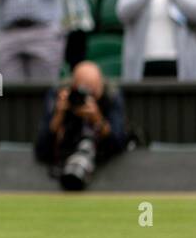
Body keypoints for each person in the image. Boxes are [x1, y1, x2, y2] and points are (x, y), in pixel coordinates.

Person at [34, 61, 130, 191]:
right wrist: (59, 115)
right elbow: (41, 149)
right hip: (63, 155)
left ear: (100, 86)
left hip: (100, 157)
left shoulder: (111, 94)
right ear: (73, 86)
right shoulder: (59, 94)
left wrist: (97, 118)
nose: (87, 98)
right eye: (83, 92)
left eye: (93, 94)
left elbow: (119, 143)